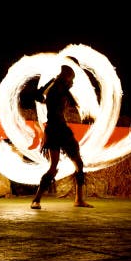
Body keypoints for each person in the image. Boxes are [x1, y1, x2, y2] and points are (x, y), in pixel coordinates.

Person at [30, 64, 92, 209]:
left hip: (60, 130)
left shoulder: (59, 89)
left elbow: (42, 98)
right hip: (55, 130)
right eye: (71, 79)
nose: (73, 83)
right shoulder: (56, 90)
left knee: (78, 164)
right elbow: (44, 99)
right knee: (54, 166)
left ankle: (79, 200)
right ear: (66, 78)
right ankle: (36, 200)